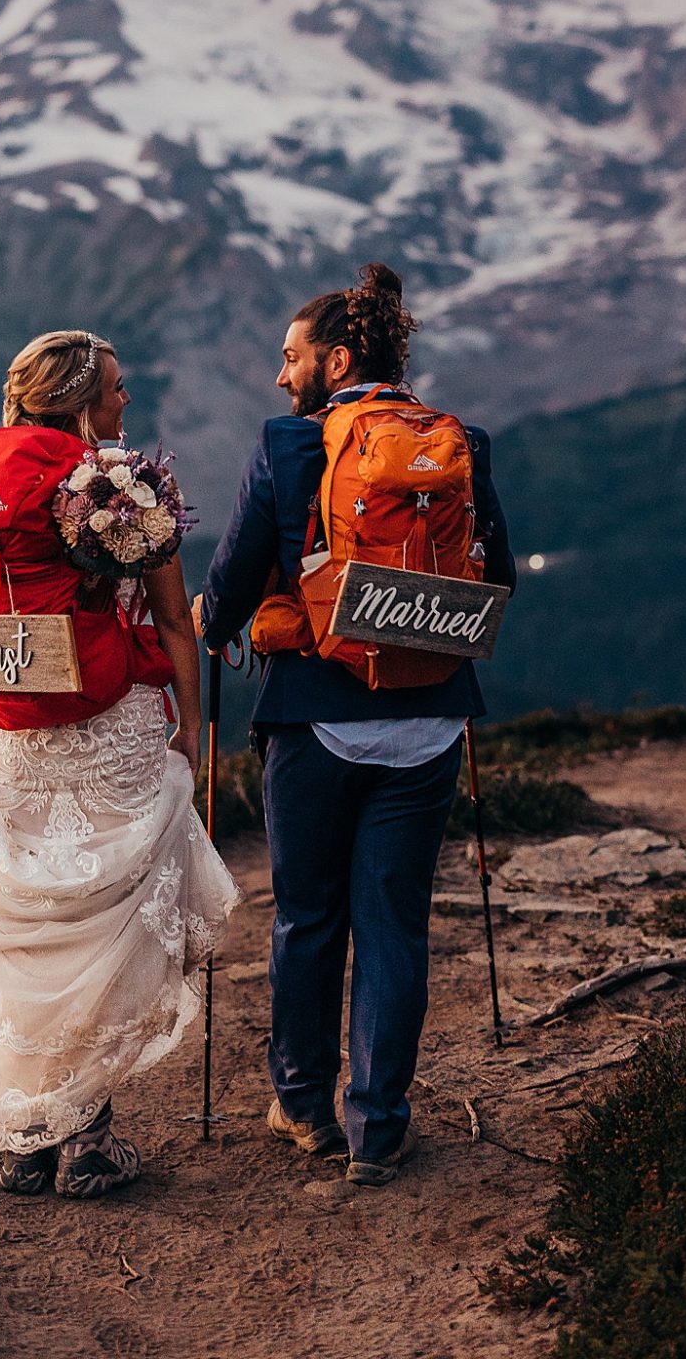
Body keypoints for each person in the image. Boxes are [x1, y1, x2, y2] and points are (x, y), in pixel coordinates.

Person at [0, 329, 239, 1198]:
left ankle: (27, 1136)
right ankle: (86, 1138)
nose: (125, 402)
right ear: (82, 401)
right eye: (114, 390)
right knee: (103, 923)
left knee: (23, 926)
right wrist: (191, 725)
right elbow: (171, 622)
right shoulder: (127, 490)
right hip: (106, 720)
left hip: (7, 730)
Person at [199, 265, 515, 1186]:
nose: (280, 375)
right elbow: (497, 580)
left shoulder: (291, 446)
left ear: (336, 360)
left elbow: (233, 570)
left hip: (314, 716)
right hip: (427, 722)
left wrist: (215, 634)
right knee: (394, 925)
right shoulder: (461, 446)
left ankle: (301, 1106)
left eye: (291, 357)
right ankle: (377, 1126)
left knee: (307, 916)